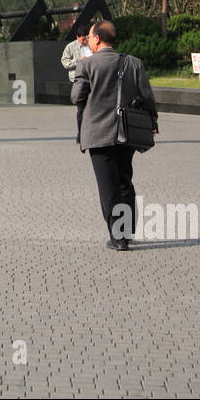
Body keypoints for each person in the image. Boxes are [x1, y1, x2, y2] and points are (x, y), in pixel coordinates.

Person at [71, 20, 158, 251]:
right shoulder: (133, 63)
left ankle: (118, 238)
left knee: (108, 186)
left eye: (90, 37)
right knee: (124, 181)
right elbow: (147, 97)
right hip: (127, 132)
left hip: (98, 134)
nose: (88, 41)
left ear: (97, 39)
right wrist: (153, 123)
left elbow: (77, 97)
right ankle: (126, 233)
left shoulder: (87, 64)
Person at [62, 27, 93, 142]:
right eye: (83, 39)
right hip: (78, 80)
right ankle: (81, 134)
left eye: (87, 38)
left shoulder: (93, 44)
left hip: (93, 79)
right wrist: (79, 61)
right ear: (78, 38)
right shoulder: (71, 47)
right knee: (81, 108)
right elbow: (65, 62)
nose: (85, 41)